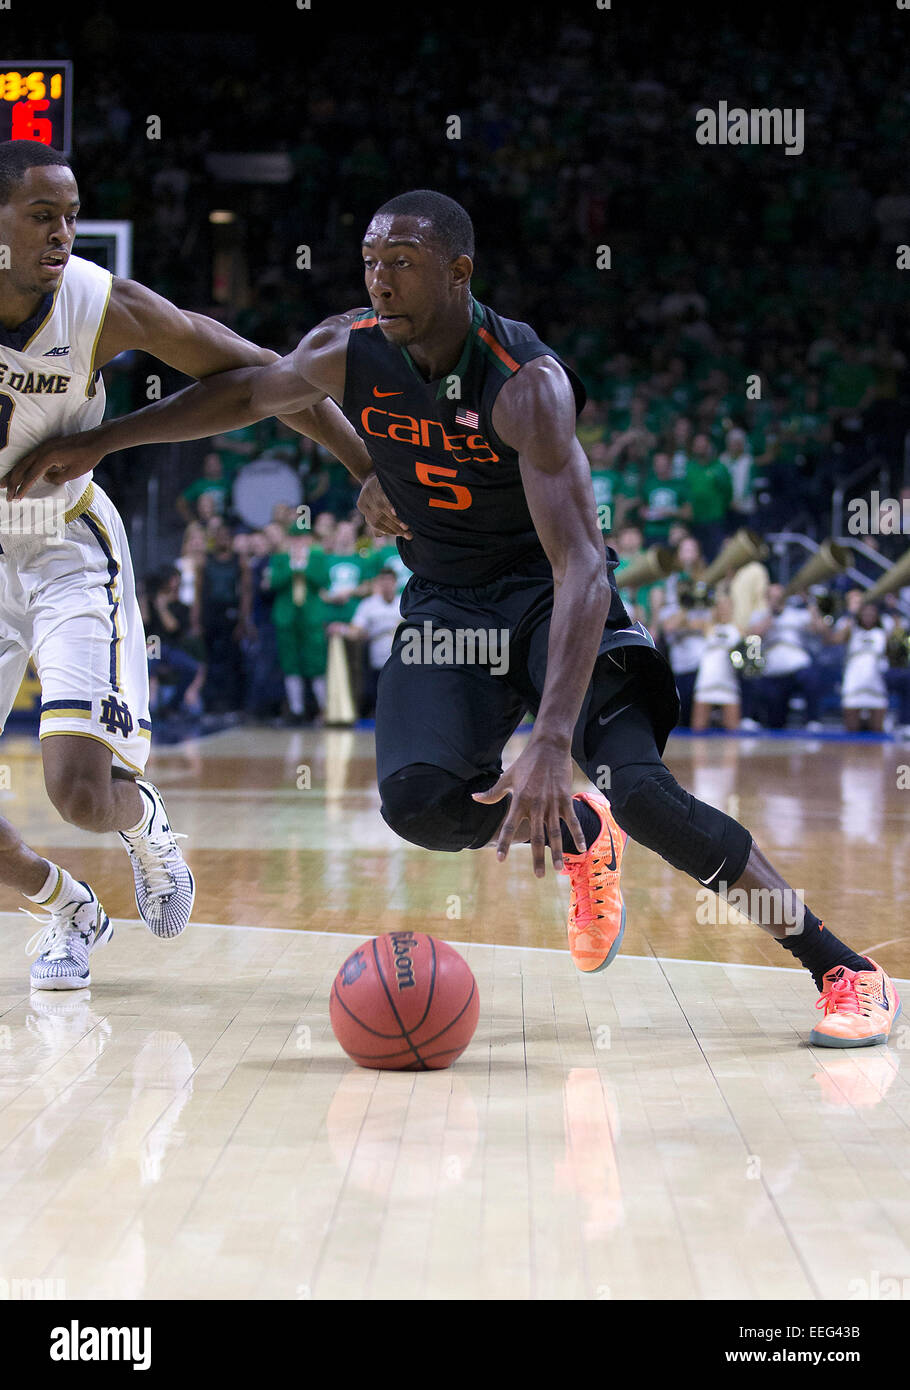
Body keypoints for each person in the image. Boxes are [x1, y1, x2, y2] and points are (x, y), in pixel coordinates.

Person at [14, 188, 898, 1047]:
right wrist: (100, 440)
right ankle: (583, 833)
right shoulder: (347, 348)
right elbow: (248, 396)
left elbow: (584, 564)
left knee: (645, 794)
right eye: (369, 264)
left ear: (459, 272)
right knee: (419, 805)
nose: (380, 282)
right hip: (446, 602)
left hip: (551, 595)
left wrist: (552, 742)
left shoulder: (527, 384)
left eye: (402, 264)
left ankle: (840, 968)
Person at [0, 139, 373, 989]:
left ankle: (145, 826)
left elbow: (261, 377)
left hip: (61, 545)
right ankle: (67, 908)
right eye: (40, 216)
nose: (63, 235)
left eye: (70, 217)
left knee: (79, 795)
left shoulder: (100, 305)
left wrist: (363, 468)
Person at [328, 568, 402, 717]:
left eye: (390, 581)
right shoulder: (369, 605)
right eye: (383, 581)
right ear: (379, 583)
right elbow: (356, 629)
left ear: (395, 583)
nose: (387, 585)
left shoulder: (404, 603)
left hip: (402, 657)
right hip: (378, 659)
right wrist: (341, 629)